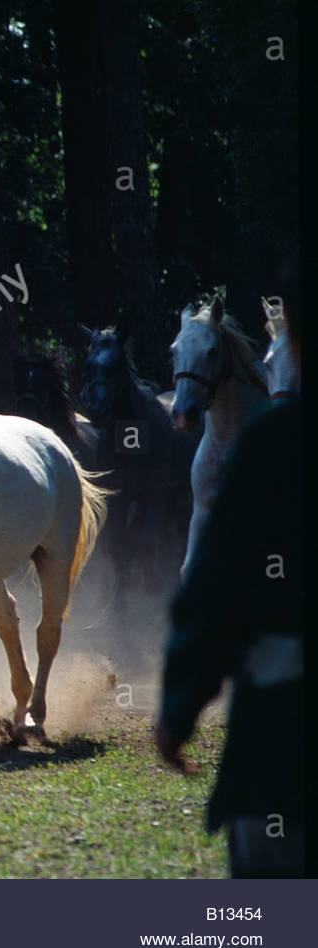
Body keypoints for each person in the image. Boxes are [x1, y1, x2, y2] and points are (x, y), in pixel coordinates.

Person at [155, 294, 304, 877]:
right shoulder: (251, 444)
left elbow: (215, 595)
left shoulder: (267, 445)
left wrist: (178, 708)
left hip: (274, 738)